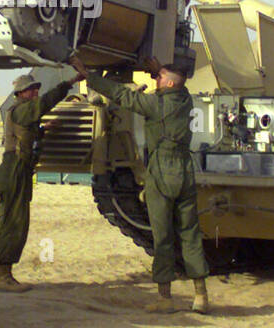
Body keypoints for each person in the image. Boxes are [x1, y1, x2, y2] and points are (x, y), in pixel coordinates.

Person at [72, 55, 210, 314]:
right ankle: (200, 296)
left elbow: (123, 96)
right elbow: (177, 85)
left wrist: (89, 76)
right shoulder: (184, 100)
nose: (155, 80)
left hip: (160, 170)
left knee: (162, 236)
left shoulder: (154, 105)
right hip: (184, 170)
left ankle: (165, 298)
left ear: (168, 84)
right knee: (190, 233)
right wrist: (161, 70)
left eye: (159, 78)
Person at [0, 71, 80, 292]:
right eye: (31, 89)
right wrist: (69, 83)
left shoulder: (19, 112)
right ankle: (4, 276)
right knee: (15, 223)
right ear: (21, 93)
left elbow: (24, 134)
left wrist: (42, 131)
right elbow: (46, 103)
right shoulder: (23, 109)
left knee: (5, 222)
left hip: (12, 169)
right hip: (15, 169)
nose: (35, 92)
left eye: (36, 88)